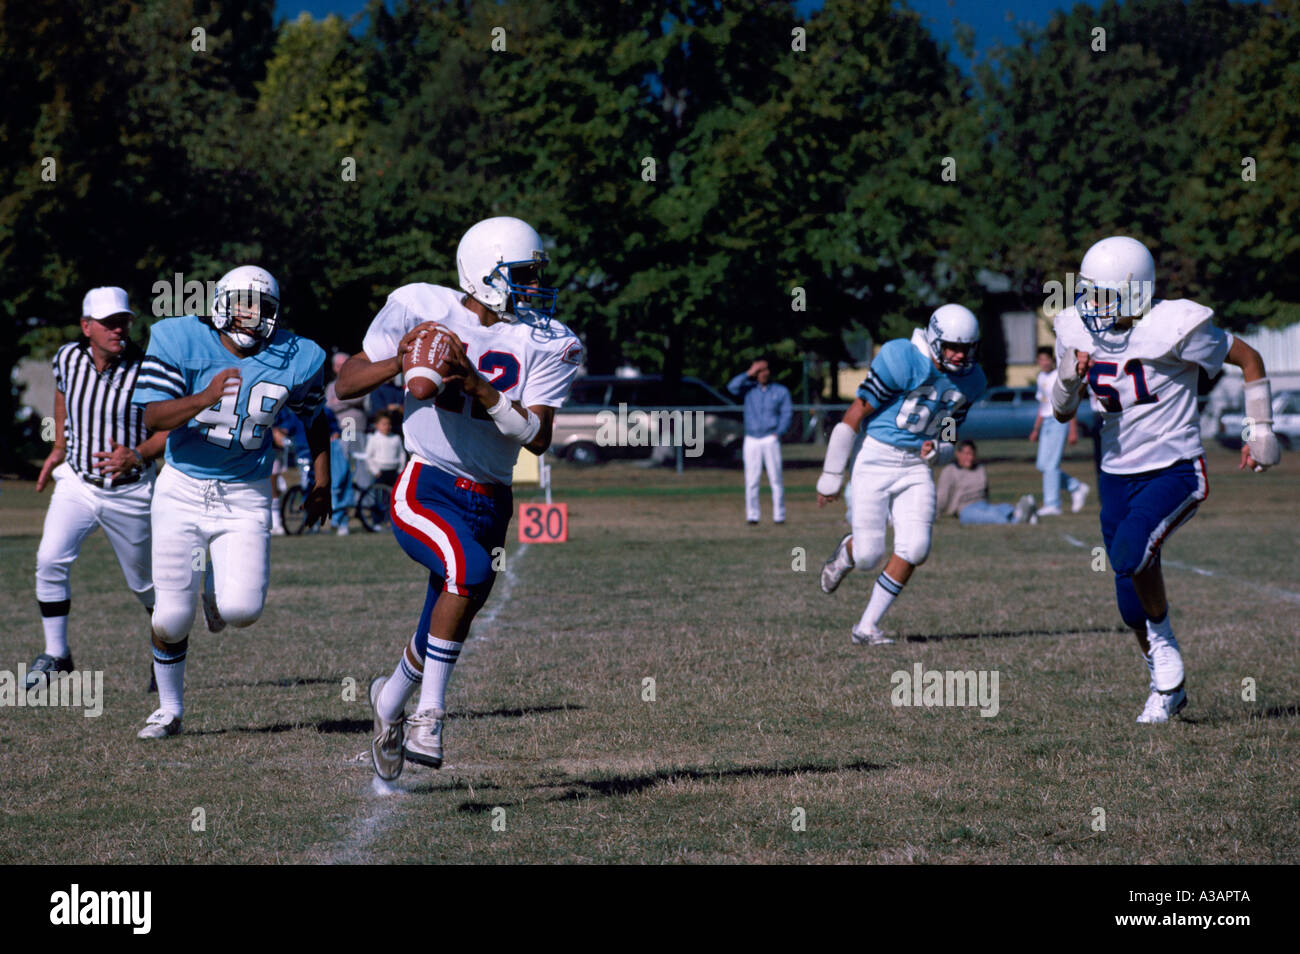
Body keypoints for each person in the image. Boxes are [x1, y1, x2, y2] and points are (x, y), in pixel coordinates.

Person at [336, 216, 582, 779]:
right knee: (465, 571)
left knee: (450, 613)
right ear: (484, 274)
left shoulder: (552, 342)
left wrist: (475, 383)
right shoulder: (421, 304)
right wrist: (402, 361)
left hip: (492, 498)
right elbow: (346, 384)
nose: (534, 287)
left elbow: (537, 439)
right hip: (428, 483)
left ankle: (389, 699)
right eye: (522, 275)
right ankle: (430, 715)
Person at [1051, 235, 1279, 723]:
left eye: (1104, 295)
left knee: (1132, 551)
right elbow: (1060, 411)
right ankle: (1164, 682)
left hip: (1174, 468)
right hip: (1115, 473)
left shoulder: (1175, 325)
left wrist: (1258, 428)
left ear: (1134, 293)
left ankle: (1165, 645)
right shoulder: (1074, 328)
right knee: (1127, 596)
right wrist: (1068, 378)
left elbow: (1250, 359)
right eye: (1088, 291)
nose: (1092, 304)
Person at [129, 265, 330, 739]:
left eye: (261, 306)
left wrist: (319, 481)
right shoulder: (179, 338)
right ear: (220, 302)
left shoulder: (299, 356)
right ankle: (169, 710)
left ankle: (213, 590)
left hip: (245, 493)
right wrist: (204, 397)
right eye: (242, 302)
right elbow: (154, 414)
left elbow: (314, 419)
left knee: (242, 611)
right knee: (170, 617)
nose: (250, 314)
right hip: (181, 488)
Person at [816, 304, 986, 644]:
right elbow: (853, 415)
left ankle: (866, 627)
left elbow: (949, 432)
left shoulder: (972, 380)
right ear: (935, 340)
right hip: (876, 458)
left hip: (915, 466)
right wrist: (832, 474)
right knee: (868, 556)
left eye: (964, 348)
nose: (957, 354)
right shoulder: (903, 358)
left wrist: (939, 449)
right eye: (951, 346)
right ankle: (847, 553)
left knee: (916, 548)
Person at [28, 287, 168, 689]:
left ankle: (166, 657)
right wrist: (58, 446)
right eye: (108, 323)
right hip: (77, 483)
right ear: (86, 326)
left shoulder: (148, 367)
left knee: (146, 586)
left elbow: (169, 430)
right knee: (50, 559)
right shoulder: (67, 357)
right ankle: (57, 655)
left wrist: (137, 454)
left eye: (123, 320)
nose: (118, 329)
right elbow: (62, 392)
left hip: (130, 489)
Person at [727, 357, 792, 524]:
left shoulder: (780, 391)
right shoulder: (748, 390)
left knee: (775, 478)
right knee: (751, 479)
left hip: (770, 438)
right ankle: (753, 516)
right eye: (759, 371)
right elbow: (731, 387)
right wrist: (749, 372)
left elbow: (786, 413)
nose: (763, 374)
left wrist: (779, 432)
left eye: (765, 370)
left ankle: (779, 515)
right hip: (752, 439)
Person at [1028, 346, 1089, 515]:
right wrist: (1036, 429)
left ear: (1052, 360)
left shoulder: (1058, 376)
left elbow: (1069, 403)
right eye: (1040, 360)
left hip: (1059, 421)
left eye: (1046, 359)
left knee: (1051, 465)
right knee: (1042, 465)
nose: (1043, 363)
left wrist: (1073, 430)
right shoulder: (1041, 377)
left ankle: (1053, 504)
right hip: (1047, 423)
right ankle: (1076, 487)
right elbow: (1043, 405)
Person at [936, 440, 1037, 524]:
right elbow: (942, 495)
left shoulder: (979, 469)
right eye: (966, 454)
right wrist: (935, 513)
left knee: (1003, 508)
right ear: (958, 454)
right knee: (991, 516)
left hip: (982, 504)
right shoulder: (950, 470)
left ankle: (1019, 513)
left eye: (972, 454)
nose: (970, 458)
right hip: (964, 508)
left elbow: (985, 491)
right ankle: (1018, 519)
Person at [363, 411, 406, 486]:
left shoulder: (396, 438)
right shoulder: (373, 439)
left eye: (389, 424)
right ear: (377, 425)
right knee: (380, 495)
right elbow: (368, 456)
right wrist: (375, 471)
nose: (387, 426)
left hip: (394, 472)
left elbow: (402, 454)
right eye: (384, 424)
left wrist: (400, 470)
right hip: (380, 473)